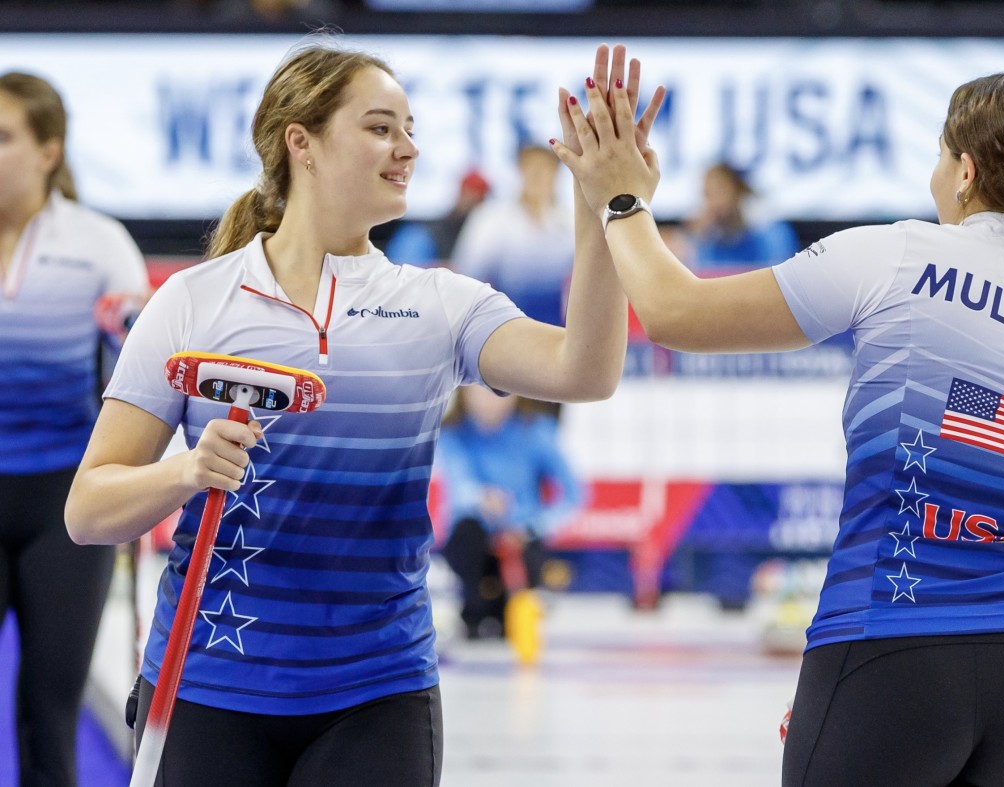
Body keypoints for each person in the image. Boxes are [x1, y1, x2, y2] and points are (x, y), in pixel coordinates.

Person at [64, 41, 659, 786]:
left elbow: (587, 369)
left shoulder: (439, 304)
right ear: (301, 142)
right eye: (381, 127)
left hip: (379, 693)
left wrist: (600, 203)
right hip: (208, 684)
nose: (407, 148)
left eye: (410, 129)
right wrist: (185, 470)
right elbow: (87, 511)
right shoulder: (192, 302)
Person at [554, 67, 1004, 786]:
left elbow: (673, 313)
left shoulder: (896, 257)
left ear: (965, 171)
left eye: (937, 155)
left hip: (890, 647)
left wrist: (621, 198)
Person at [0, 71, 149, 786]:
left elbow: (147, 370)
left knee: (46, 708)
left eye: (4, 137)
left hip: (64, 501)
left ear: (49, 151)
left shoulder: (98, 244)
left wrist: (156, 481)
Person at [436, 384, 584, 639]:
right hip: (474, 536)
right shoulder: (452, 434)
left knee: (515, 611)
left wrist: (536, 526)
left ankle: (518, 603)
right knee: (466, 537)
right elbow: (459, 485)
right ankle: (474, 608)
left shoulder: (536, 431)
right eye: (480, 391)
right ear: (464, 394)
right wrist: (481, 499)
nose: (490, 401)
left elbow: (573, 494)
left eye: (499, 392)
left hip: (522, 537)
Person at [451, 144, 575, 326]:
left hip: (557, 323)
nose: (538, 176)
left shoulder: (569, 221)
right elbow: (469, 274)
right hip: (505, 321)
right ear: (520, 172)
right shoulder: (492, 218)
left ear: (556, 175)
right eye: (531, 169)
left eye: (544, 170)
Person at [679, 162, 799, 269]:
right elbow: (707, 273)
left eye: (719, 192)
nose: (712, 203)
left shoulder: (770, 230)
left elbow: (775, 275)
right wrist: (699, 239)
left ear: (737, 191)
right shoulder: (713, 232)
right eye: (707, 195)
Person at [384, 167, 489, 267]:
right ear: (461, 192)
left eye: (480, 198)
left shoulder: (482, 233)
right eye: (469, 193)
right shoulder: (420, 232)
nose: (472, 201)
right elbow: (400, 271)